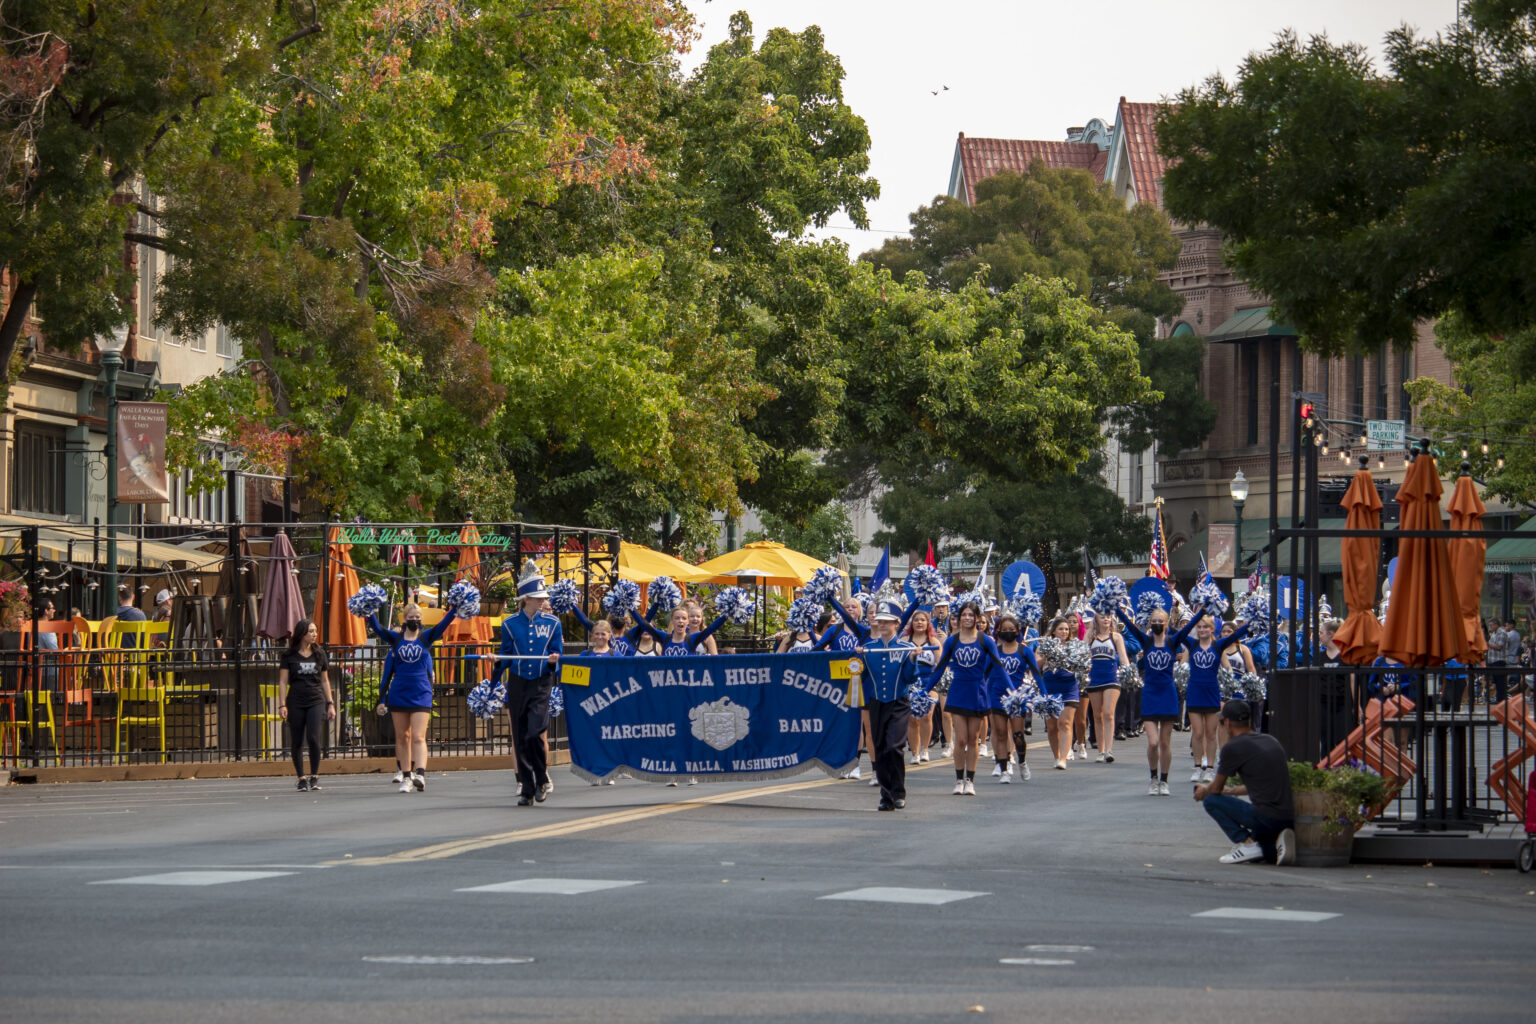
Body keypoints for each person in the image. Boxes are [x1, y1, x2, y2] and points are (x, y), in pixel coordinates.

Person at [369, 602, 458, 793]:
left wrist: (455, 609)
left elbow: (443, 624)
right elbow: (377, 628)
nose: (414, 620)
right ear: (404, 619)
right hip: (399, 693)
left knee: (418, 736)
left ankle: (420, 774)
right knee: (402, 737)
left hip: (421, 693)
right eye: (411, 617)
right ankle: (406, 777)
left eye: (417, 617)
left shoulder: (426, 638)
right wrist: (368, 610)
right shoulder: (396, 639)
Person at [491, 572, 564, 807]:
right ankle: (527, 788)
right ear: (526, 598)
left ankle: (542, 777)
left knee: (535, 732)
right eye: (537, 598)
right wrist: (497, 662)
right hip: (518, 682)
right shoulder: (510, 624)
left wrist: (554, 659)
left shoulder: (553, 623)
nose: (542, 601)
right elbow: (507, 655)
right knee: (520, 736)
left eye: (543, 598)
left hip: (541, 682)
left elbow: (557, 652)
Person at [1195, 700, 1296, 866]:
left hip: (1264, 816)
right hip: (1287, 816)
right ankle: (1270, 842)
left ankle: (1247, 843)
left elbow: (1216, 788)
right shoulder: (1271, 740)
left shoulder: (1233, 747)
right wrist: (1231, 791)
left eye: (1221, 722)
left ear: (1227, 723)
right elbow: (1262, 784)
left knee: (1211, 801)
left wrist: (1203, 791)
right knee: (1268, 856)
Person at [1118, 603, 1202, 795]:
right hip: (1149, 694)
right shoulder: (1146, 641)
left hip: (1168, 694)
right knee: (1153, 742)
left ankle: (1164, 781)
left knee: (1165, 743)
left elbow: (1189, 627)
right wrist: (1114, 607)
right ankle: (1153, 777)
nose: (1156, 623)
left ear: (1166, 624)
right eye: (1154, 621)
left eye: (1160, 621)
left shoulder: (1173, 641)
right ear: (1150, 623)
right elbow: (1129, 626)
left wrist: (1203, 610)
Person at [925, 601, 1008, 795]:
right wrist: (925, 690)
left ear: (978, 618)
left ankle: (970, 780)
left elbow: (998, 666)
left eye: (971, 615)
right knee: (960, 739)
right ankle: (958, 780)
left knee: (973, 739)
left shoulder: (984, 640)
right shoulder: (952, 641)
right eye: (964, 615)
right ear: (960, 617)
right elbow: (939, 668)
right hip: (958, 692)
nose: (968, 618)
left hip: (977, 693)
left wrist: (1011, 689)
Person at [857, 599, 920, 811]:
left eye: (887, 622)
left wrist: (912, 659)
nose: (882, 625)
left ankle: (898, 791)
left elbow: (910, 679)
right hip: (876, 703)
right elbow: (861, 675)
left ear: (896, 624)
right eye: (880, 621)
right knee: (881, 748)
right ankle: (886, 795)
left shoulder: (904, 647)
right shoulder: (868, 649)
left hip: (898, 703)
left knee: (894, 747)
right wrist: (855, 661)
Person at [1185, 613, 1250, 783]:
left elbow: (1237, 634)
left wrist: (1252, 621)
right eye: (1199, 627)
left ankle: (1210, 768)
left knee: (1211, 734)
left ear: (1213, 629)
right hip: (1194, 692)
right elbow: (1181, 631)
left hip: (1212, 693)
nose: (1202, 630)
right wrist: (1200, 611)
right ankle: (1198, 767)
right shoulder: (1191, 644)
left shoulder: (1218, 645)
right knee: (1197, 733)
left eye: (1205, 627)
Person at [278, 618, 335, 792]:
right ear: (302, 633)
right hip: (296, 700)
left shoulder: (320, 654)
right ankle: (301, 777)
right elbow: (283, 681)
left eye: (315, 631)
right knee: (296, 740)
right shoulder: (289, 656)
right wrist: (282, 705)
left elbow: (325, 681)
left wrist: (330, 703)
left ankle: (314, 776)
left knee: (313, 737)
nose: (314, 634)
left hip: (315, 700)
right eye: (311, 631)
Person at [989, 612, 1041, 782]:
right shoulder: (995, 651)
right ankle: (1004, 769)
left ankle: (1022, 761)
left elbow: (1036, 673)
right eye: (1004, 629)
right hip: (997, 695)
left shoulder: (1024, 650)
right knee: (1001, 733)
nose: (1008, 632)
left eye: (1011, 629)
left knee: (1018, 735)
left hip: (1017, 698)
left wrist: (1045, 694)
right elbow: (984, 674)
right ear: (999, 631)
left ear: (1018, 630)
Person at [1084, 610, 1130, 763]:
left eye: (1109, 617)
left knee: (1108, 713)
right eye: (1103, 617)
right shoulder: (1090, 637)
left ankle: (1109, 750)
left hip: (1112, 677)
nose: (1106, 619)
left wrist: (1128, 672)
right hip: (1094, 678)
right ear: (1096, 619)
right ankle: (1101, 750)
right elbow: (1082, 655)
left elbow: (1123, 658)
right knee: (1097, 715)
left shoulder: (1116, 637)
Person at [1037, 617, 1082, 770]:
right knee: (1052, 727)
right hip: (1049, 688)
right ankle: (1057, 756)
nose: (1064, 632)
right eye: (1061, 629)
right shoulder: (1044, 646)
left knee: (1065, 723)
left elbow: (1084, 665)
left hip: (1069, 687)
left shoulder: (1073, 646)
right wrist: (1046, 655)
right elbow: (1036, 664)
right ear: (1054, 631)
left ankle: (1063, 757)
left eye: (1066, 629)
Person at [904, 608, 944, 762]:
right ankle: (915, 752)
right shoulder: (905, 640)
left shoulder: (933, 641)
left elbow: (940, 664)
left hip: (929, 682)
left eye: (922, 620)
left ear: (928, 623)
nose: (919, 623)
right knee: (912, 718)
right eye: (916, 620)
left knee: (927, 715)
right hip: (911, 683)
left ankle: (925, 749)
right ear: (912, 623)